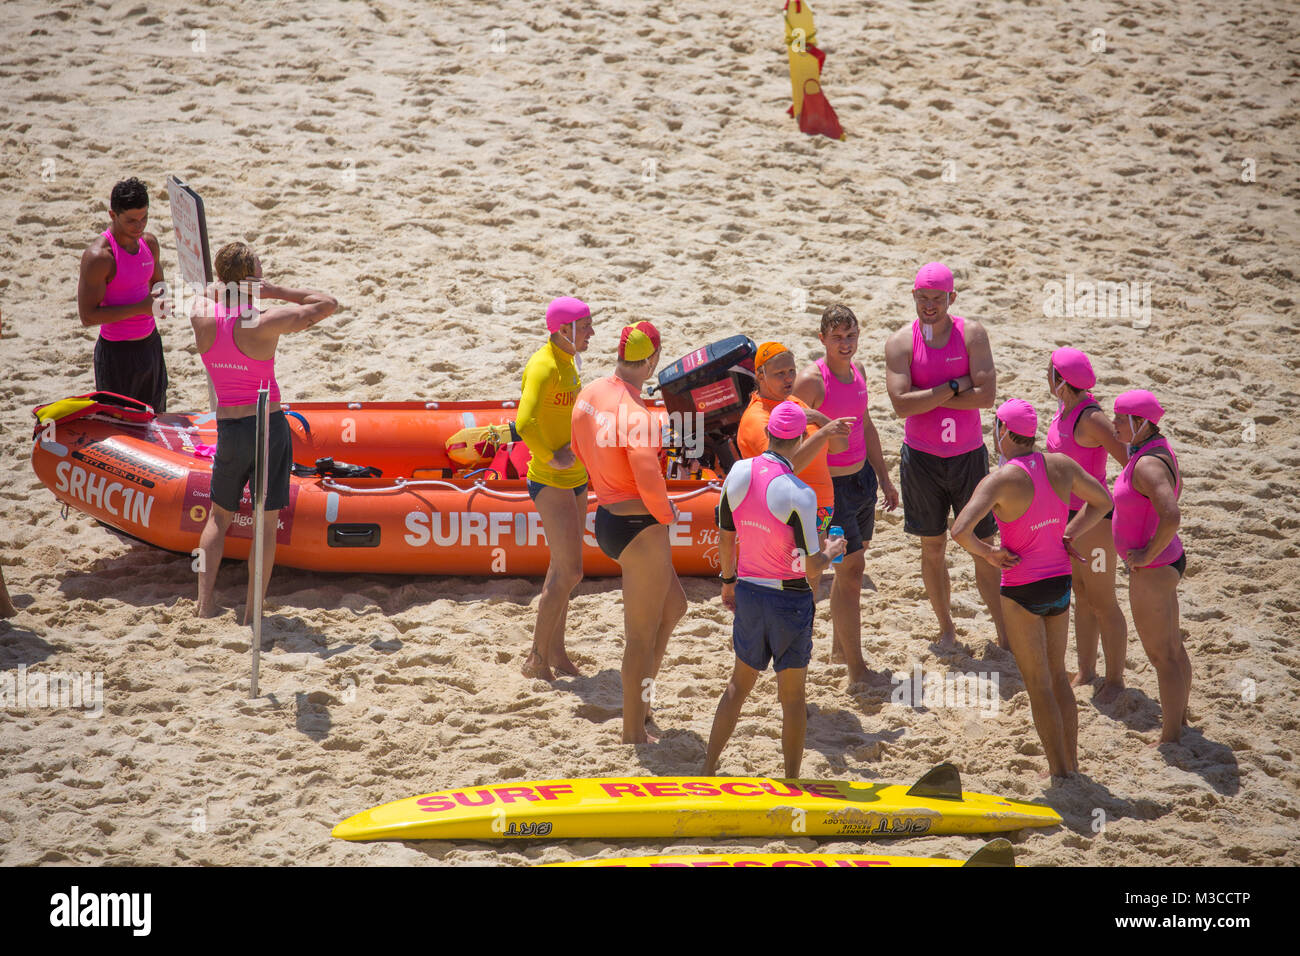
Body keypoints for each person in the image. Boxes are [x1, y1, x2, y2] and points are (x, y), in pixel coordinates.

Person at [952, 400, 1112, 780]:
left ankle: (1058, 772)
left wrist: (989, 553)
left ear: (1004, 433)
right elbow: (1103, 501)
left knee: (1038, 685)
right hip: (1059, 583)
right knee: (1059, 677)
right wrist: (1069, 532)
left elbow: (959, 531)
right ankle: (1072, 763)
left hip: (1023, 589)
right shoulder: (1060, 464)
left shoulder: (999, 480)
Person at [191, 242, 337, 621]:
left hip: (229, 426)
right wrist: (273, 290)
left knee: (218, 518)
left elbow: (207, 291)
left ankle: (204, 606)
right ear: (253, 279)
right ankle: (252, 612)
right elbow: (326, 303)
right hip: (267, 425)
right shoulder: (265, 320)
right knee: (265, 523)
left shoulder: (202, 315)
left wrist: (233, 286)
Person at [705, 401, 847, 777]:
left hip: (749, 591)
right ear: (802, 437)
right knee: (793, 699)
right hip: (789, 600)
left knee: (737, 688)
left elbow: (725, 537)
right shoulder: (799, 493)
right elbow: (811, 565)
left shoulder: (737, 472)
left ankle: (706, 767)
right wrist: (832, 551)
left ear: (769, 434)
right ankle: (791, 780)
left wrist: (728, 581)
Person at [570, 322, 685, 744]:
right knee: (639, 639)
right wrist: (667, 514)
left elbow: (579, 449)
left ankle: (644, 704)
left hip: (609, 518)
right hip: (640, 527)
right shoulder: (639, 415)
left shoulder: (591, 393)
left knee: (673, 609)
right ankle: (633, 733)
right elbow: (648, 478)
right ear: (652, 360)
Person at [884, 261, 1005, 647]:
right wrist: (956, 384)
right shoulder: (901, 342)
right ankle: (946, 628)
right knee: (932, 546)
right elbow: (901, 406)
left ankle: (1005, 634)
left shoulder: (971, 334)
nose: (930, 306)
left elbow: (986, 398)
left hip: (968, 455)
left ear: (952, 298)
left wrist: (930, 396)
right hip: (921, 458)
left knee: (984, 548)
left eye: (937, 299)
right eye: (923, 298)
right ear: (914, 297)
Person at [794, 304, 900, 685]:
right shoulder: (812, 382)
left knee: (851, 569)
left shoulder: (859, 371)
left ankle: (840, 650)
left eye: (851, 336)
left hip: (861, 482)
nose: (845, 344)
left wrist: (885, 478)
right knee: (850, 571)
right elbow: (786, 432)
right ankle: (856, 670)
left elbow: (866, 426)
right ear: (822, 339)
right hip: (830, 489)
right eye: (837, 337)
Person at [1044, 347, 1130, 704]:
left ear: (1061, 380)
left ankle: (1116, 679)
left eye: (1049, 372)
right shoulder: (1065, 408)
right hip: (1068, 519)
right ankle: (1087, 670)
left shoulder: (1091, 418)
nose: (1046, 376)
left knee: (1102, 600)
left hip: (1093, 520)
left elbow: (1130, 460)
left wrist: (1131, 510)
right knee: (1080, 595)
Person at [517, 297, 594, 681]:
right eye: (586, 326)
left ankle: (557, 653)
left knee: (560, 569)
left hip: (577, 479)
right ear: (565, 330)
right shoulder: (543, 366)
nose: (592, 332)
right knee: (571, 572)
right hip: (549, 480)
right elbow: (525, 422)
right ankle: (535, 658)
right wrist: (551, 457)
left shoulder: (571, 362)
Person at [1112, 389, 1190, 744]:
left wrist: (1145, 555)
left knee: (1162, 656)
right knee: (1173, 648)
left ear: (1139, 423)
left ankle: (1171, 736)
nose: (1113, 423)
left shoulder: (1147, 464)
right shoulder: (1153, 449)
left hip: (1155, 567)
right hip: (1166, 560)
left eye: (1119, 418)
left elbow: (1171, 515)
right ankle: (1180, 721)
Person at [736, 341, 850, 541]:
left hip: (818, 509)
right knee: (798, 572)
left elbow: (841, 447)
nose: (788, 378)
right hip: (786, 510)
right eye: (780, 373)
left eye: (792, 370)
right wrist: (824, 432)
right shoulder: (757, 418)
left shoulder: (794, 403)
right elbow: (780, 471)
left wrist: (820, 418)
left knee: (813, 572)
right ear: (760, 375)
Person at [77, 177, 169, 412]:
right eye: (131, 221)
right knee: (122, 431)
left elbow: (158, 280)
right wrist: (141, 307)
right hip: (117, 354)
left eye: (144, 218)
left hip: (151, 346)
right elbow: (87, 316)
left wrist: (163, 299)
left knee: (155, 420)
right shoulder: (100, 257)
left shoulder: (149, 242)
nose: (139, 226)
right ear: (112, 214)